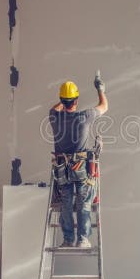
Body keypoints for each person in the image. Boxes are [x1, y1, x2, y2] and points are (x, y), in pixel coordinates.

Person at [49, 76, 108, 248]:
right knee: (84, 202)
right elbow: (104, 106)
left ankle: (68, 239)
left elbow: (54, 108)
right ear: (76, 100)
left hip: (62, 169)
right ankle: (83, 239)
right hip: (80, 167)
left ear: (61, 100)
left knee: (66, 203)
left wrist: (63, 101)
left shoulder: (54, 117)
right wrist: (100, 89)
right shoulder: (85, 116)